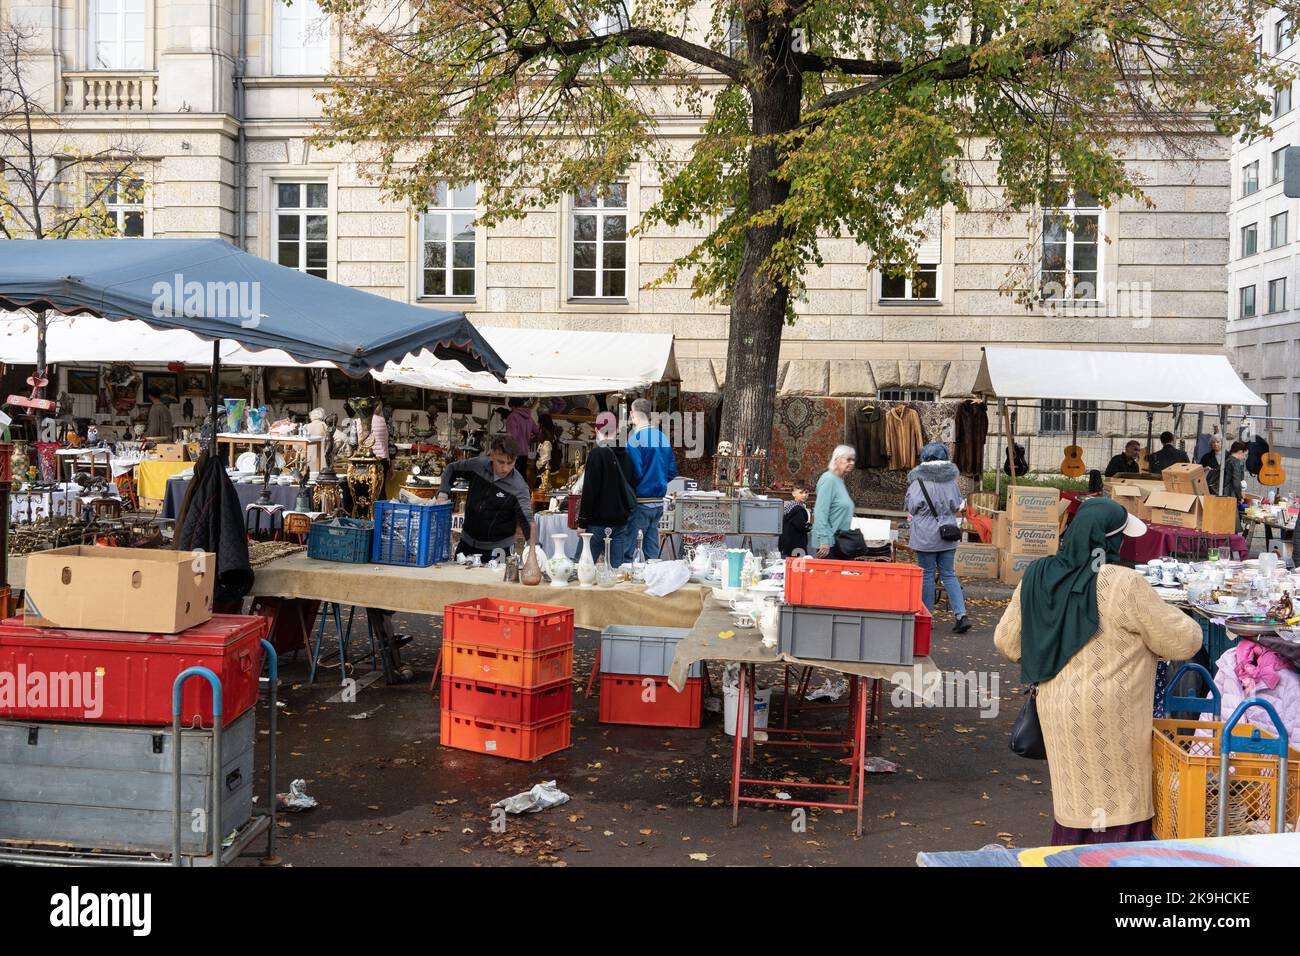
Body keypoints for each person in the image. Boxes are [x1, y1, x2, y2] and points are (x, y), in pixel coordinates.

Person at [994, 497, 1201, 845]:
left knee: (1075, 803)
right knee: (1118, 809)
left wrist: (1049, 648)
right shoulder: (1123, 583)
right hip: (1113, 716)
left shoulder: (1037, 574)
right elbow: (1185, 641)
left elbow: (1007, 641)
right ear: (1110, 540)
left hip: (1057, 709)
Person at [904, 443, 970, 633]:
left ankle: (927, 617)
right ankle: (961, 614)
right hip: (948, 533)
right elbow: (957, 505)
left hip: (925, 535)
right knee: (949, 574)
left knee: (926, 575)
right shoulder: (951, 482)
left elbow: (912, 507)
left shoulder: (918, 483)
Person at [437, 434, 533, 561]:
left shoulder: (519, 487)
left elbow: (527, 520)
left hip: (499, 551)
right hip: (466, 544)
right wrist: (443, 494)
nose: (505, 468)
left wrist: (534, 549)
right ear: (492, 455)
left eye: (510, 463)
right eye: (501, 462)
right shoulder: (477, 465)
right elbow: (451, 468)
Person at [577, 411, 637, 566]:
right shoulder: (626, 455)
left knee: (582, 567)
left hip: (597, 523)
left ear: (596, 430)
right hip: (620, 523)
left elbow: (590, 491)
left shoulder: (597, 454)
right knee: (616, 572)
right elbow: (632, 486)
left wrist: (582, 522)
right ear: (617, 430)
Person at [624, 398, 676, 559]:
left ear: (632, 414)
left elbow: (633, 473)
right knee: (651, 551)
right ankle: (653, 581)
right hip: (658, 502)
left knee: (629, 551)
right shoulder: (663, 438)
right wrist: (658, 481)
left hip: (640, 502)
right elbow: (672, 471)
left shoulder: (634, 440)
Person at [812, 445, 856, 558]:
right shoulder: (829, 480)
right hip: (829, 544)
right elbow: (820, 512)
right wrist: (824, 540)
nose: (852, 463)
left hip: (839, 542)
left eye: (853, 460)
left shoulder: (839, 480)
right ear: (837, 459)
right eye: (848, 459)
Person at [505, 397, 539, 477]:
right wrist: (530, 439)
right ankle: (524, 489)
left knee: (513, 475)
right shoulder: (529, 417)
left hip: (514, 451)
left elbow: (512, 436)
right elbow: (537, 431)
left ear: (513, 406)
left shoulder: (512, 416)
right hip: (525, 451)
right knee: (522, 474)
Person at [779, 480, 812, 558]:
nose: (804, 495)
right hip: (797, 544)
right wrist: (809, 523)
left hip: (788, 543)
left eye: (806, 492)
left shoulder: (790, 506)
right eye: (801, 493)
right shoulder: (798, 510)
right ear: (793, 493)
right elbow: (802, 527)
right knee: (798, 567)